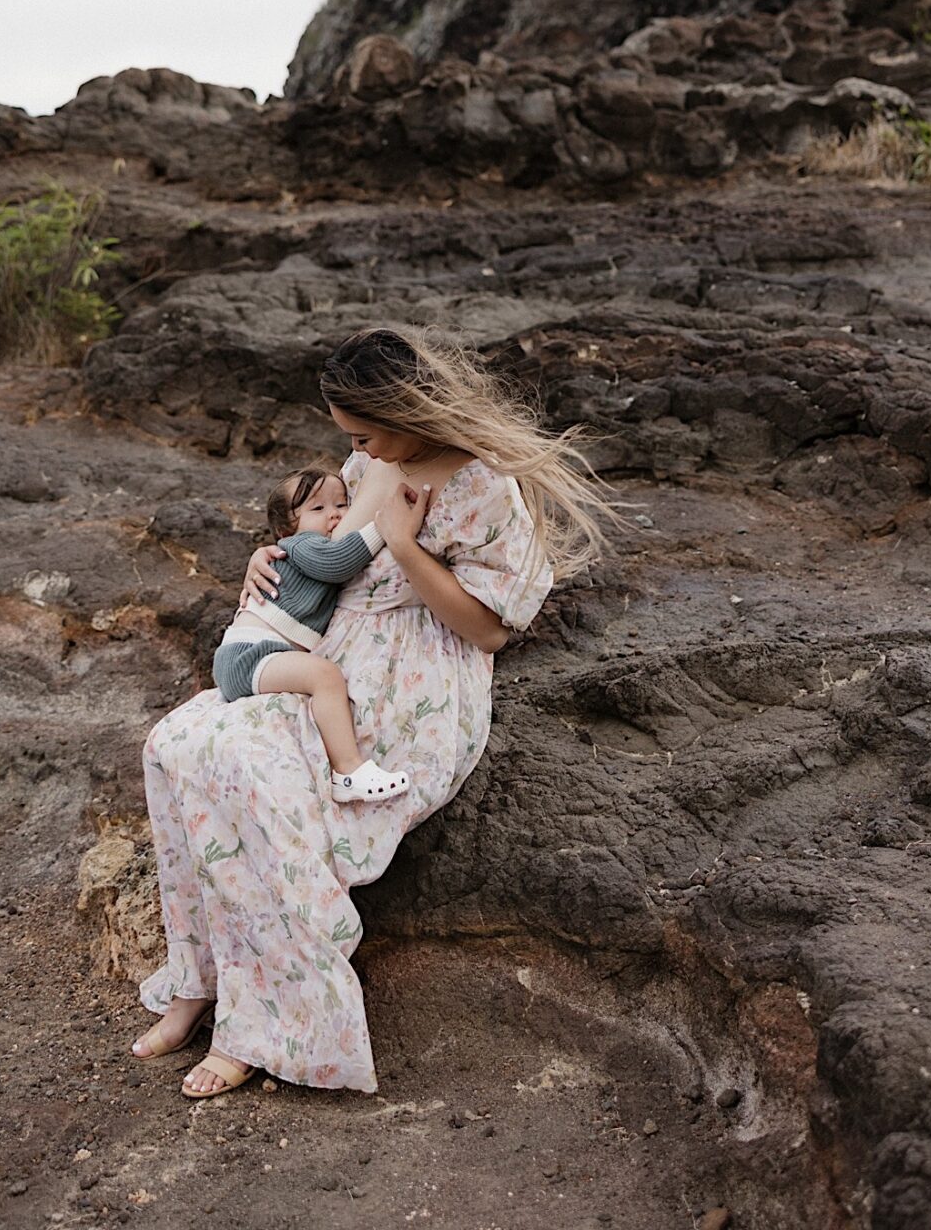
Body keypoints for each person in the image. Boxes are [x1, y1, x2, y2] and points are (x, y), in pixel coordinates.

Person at [132, 324, 605, 1100]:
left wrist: (406, 545)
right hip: (330, 657)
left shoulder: (487, 486)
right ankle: (197, 978)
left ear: (407, 410)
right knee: (180, 739)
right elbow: (330, 555)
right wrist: (275, 556)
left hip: (413, 682)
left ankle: (275, 1025)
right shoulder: (368, 461)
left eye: (365, 434)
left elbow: (488, 629)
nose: (360, 454)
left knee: (259, 780)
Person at [211, 465, 413, 803]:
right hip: (249, 655)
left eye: (341, 504)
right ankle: (348, 772)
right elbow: (338, 562)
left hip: (261, 653)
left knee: (322, 677)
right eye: (317, 509)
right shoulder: (301, 545)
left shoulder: (306, 545)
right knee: (326, 676)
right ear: (287, 528)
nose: (334, 515)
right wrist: (382, 526)